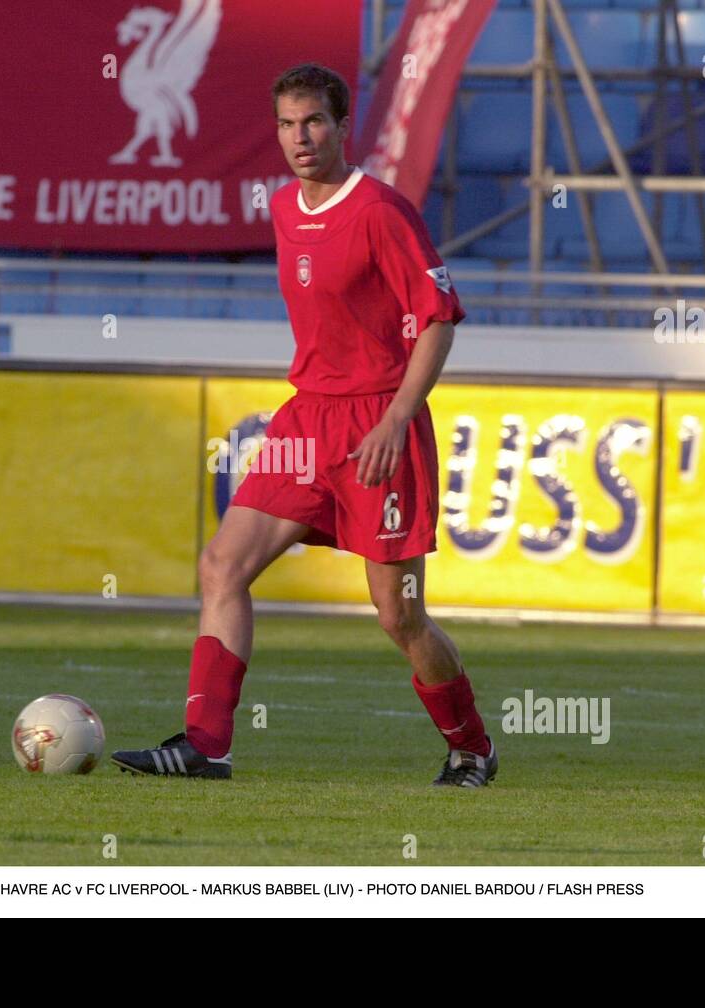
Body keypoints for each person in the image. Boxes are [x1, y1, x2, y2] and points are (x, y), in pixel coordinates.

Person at [112, 63, 497, 787]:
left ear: (343, 125)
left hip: (380, 424)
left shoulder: (382, 210)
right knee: (222, 566)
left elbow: (438, 322)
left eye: (314, 122)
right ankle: (206, 745)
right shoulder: (285, 206)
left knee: (398, 616)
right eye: (287, 125)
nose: (301, 137)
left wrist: (396, 419)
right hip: (306, 421)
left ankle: (472, 746)